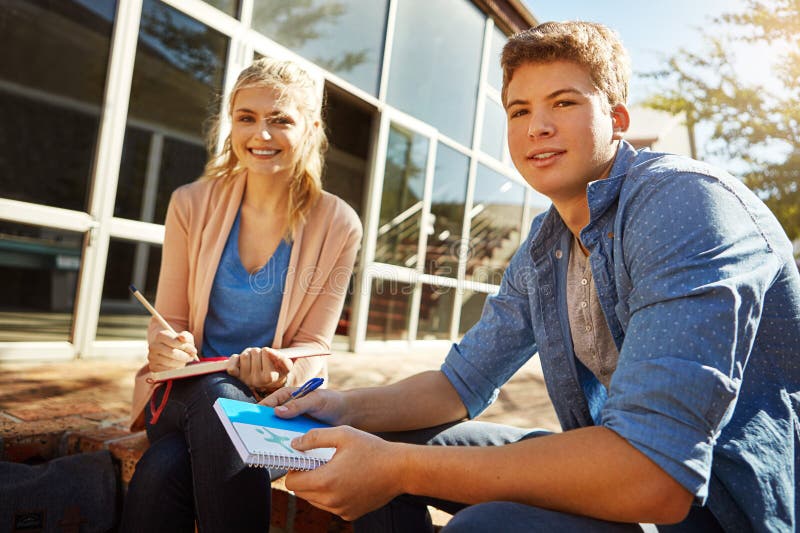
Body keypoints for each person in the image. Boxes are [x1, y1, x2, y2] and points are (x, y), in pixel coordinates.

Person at [262, 21, 800, 532]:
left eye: (563, 102)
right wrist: (343, 406)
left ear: (617, 119)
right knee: (373, 436)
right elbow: (458, 384)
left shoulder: (684, 205)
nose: (537, 126)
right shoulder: (550, 243)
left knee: (490, 525)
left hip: (723, 512)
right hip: (638, 488)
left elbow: (650, 473)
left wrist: (398, 467)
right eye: (519, 110)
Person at [120, 57, 362, 533]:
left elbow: (315, 344)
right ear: (230, 125)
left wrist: (278, 371)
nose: (261, 135)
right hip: (183, 394)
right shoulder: (190, 203)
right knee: (214, 389)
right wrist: (167, 344)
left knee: (163, 470)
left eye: (280, 121)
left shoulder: (339, 224)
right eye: (246, 118)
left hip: (270, 410)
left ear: (311, 128)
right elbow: (168, 319)